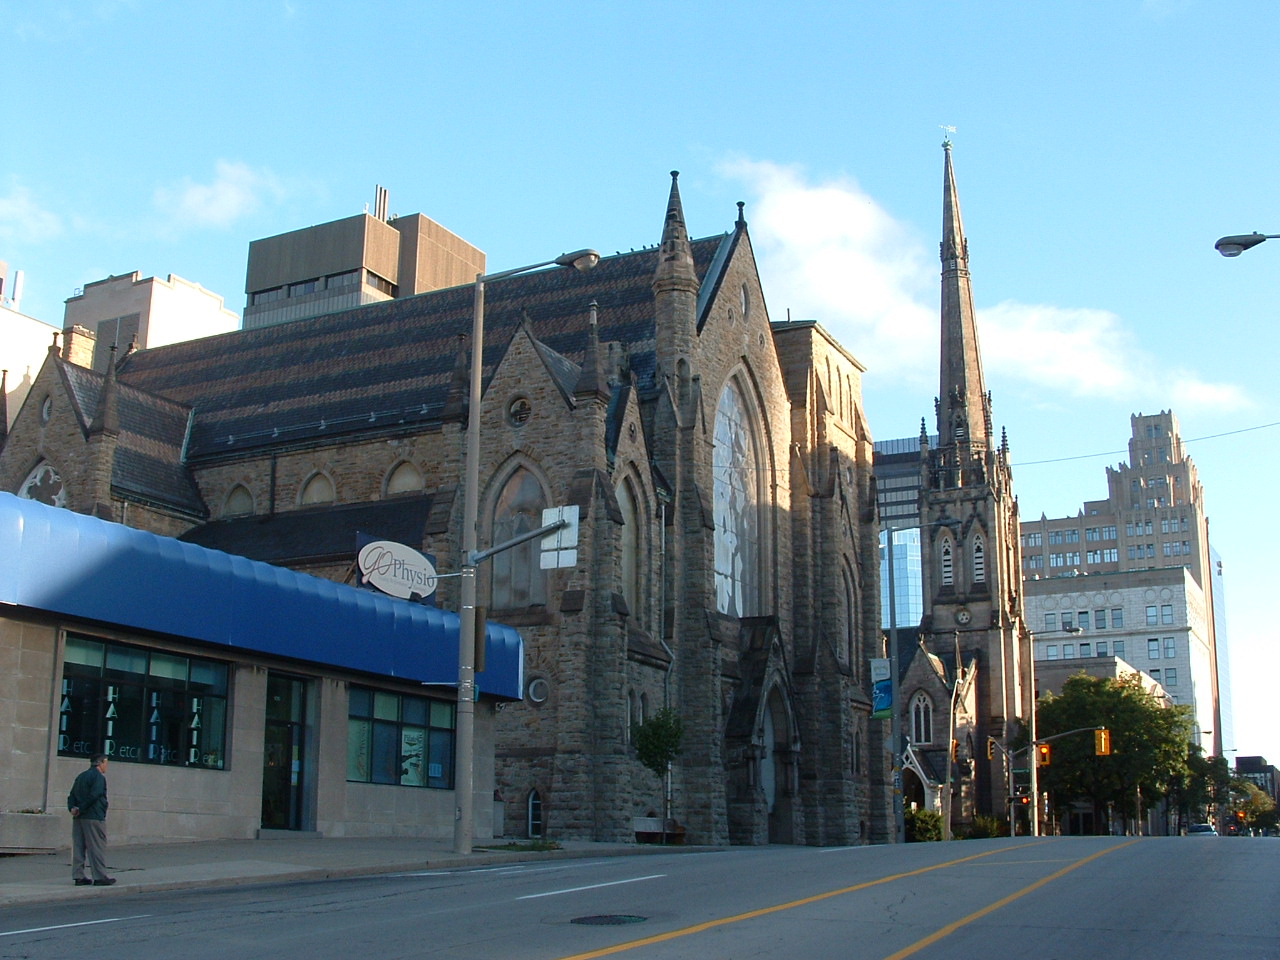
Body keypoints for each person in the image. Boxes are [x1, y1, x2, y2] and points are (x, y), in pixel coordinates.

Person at [67, 754, 116, 886]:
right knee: (96, 847)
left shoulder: (81, 776)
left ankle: (78, 876)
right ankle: (99, 876)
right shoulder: (98, 777)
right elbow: (95, 795)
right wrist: (81, 808)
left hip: (78, 817)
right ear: (100, 763)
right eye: (106, 763)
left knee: (78, 847)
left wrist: (73, 808)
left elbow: (71, 795)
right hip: (93, 816)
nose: (106, 766)